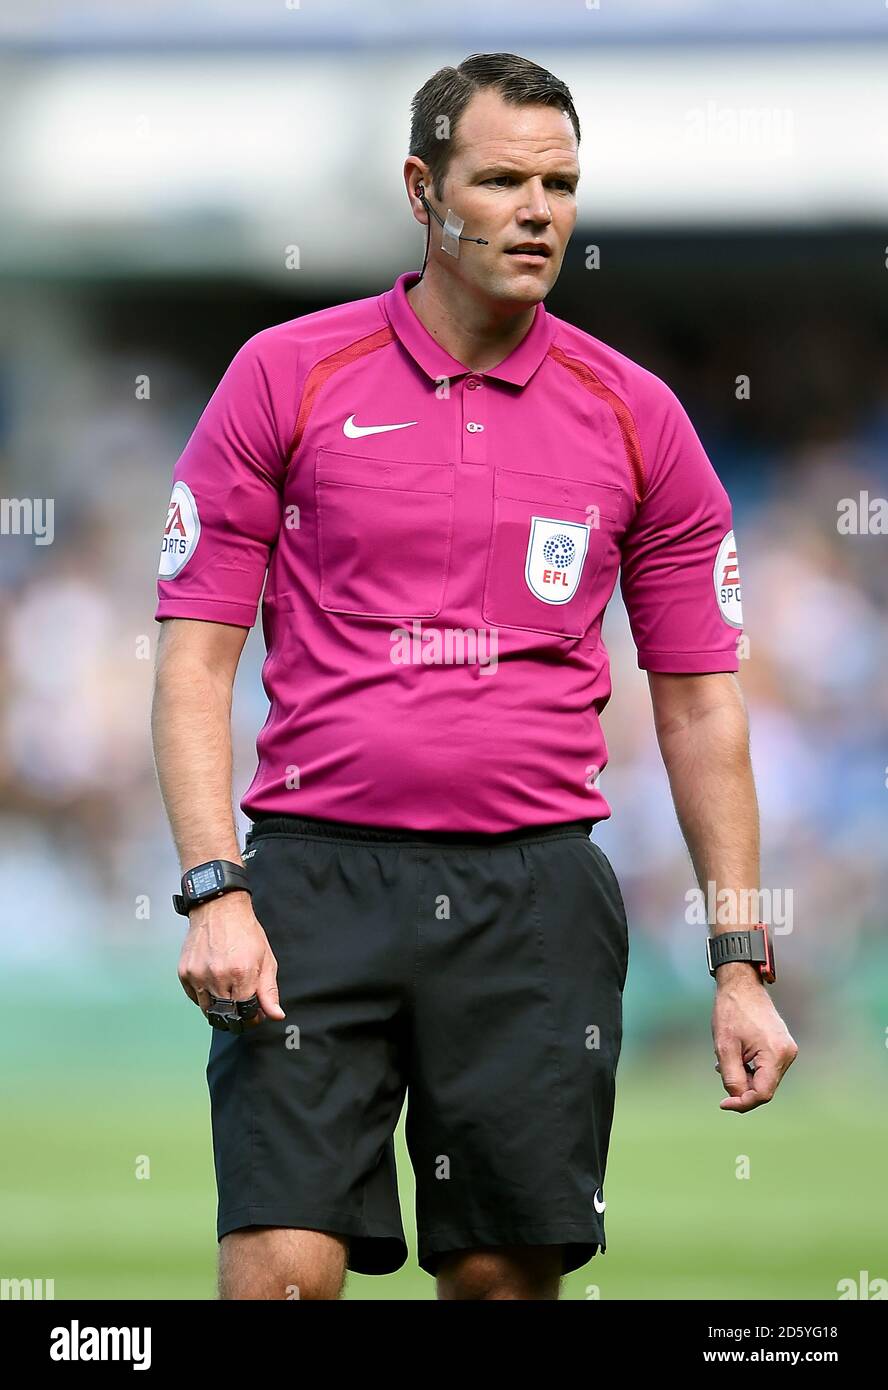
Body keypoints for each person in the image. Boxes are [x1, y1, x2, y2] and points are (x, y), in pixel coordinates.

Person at [151, 52, 798, 1301]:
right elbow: (194, 654)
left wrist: (739, 958)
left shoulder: (637, 415)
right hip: (314, 884)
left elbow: (703, 700)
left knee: (504, 1282)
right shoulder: (287, 376)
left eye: (559, 182)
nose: (539, 209)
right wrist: (210, 887)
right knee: (277, 1275)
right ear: (422, 190)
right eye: (501, 179)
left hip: (536, 898)